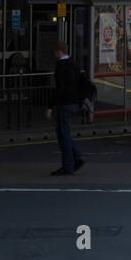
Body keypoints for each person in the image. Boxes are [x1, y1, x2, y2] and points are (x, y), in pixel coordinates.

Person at [44, 41, 85, 175]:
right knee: (65, 133)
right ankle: (76, 157)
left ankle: (68, 165)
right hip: (74, 103)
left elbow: (59, 89)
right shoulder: (74, 64)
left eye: (55, 52)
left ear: (59, 51)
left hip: (65, 104)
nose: (54, 54)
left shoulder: (61, 66)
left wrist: (50, 106)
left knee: (63, 136)